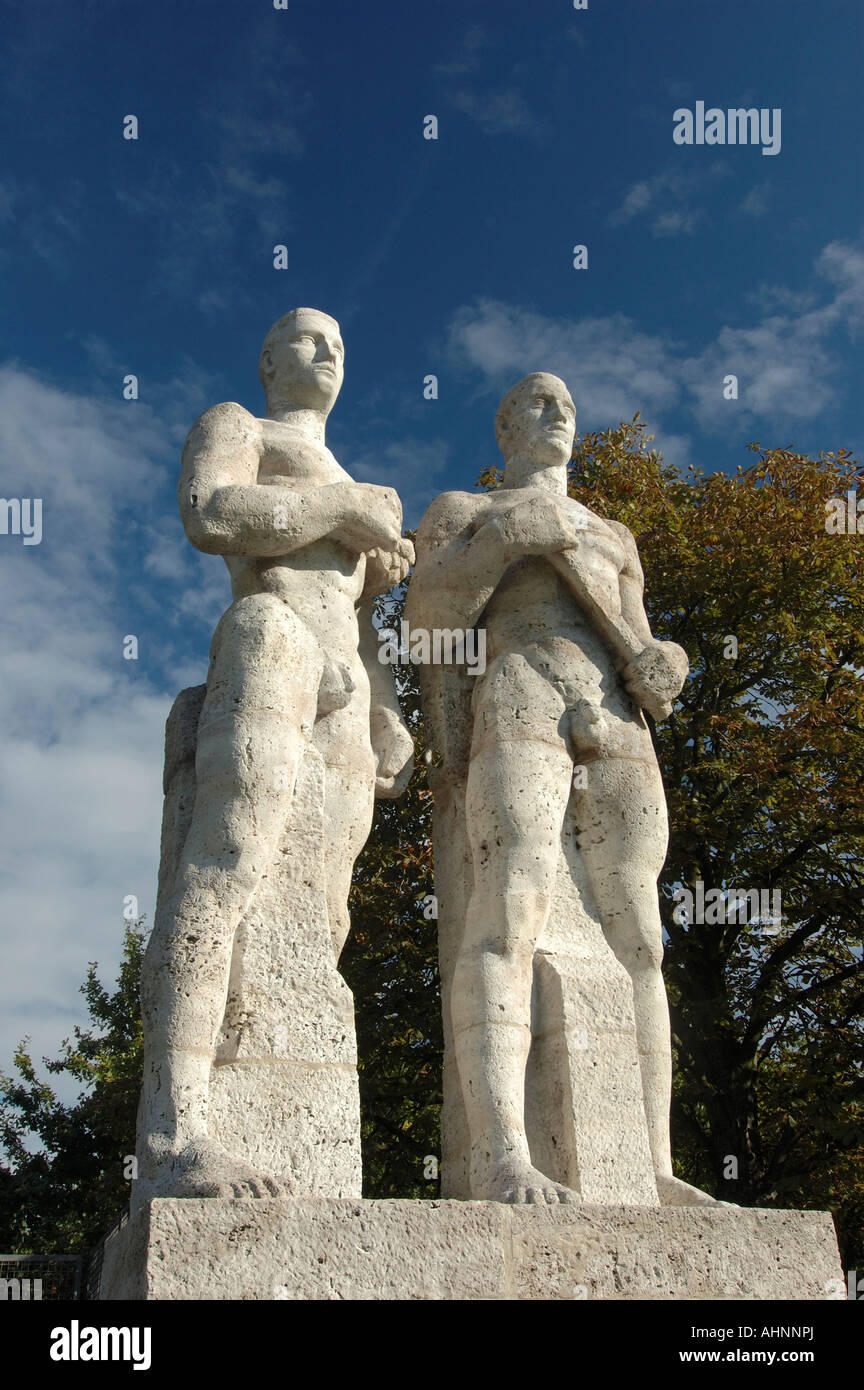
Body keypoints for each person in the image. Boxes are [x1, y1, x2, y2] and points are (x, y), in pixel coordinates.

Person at [407, 372, 720, 1206]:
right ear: (505, 425)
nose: (559, 415)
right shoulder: (463, 510)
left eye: (568, 406)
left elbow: (643, 643)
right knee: (510, 902)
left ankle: (653, 1166)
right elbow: (427, 627)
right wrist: (500, 545)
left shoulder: (613, 535)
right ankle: (503, 1152)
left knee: (642, 937)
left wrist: (669, 663)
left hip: (615, 714)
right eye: (539, 402)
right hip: (519, 687)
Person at [135, 308, 413, 1200]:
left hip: (345, 692)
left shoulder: (357, 485)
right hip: (271, 637)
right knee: (224, 869)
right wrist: (342, 510)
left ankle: (302, 1151)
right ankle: (179, 1132)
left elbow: (360, 621)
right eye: (306, 338)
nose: (327, 351)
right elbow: (211, 512)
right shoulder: (240, 425)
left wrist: (388, 711)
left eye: (339, 343)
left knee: (322, 924)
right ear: (267, 359)